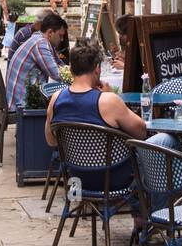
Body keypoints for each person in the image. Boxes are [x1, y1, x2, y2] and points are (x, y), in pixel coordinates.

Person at [45, 39, 148, 190]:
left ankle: (81, 202)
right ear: (97, 69)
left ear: (71, 69)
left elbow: (51, 141)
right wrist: (114, 97)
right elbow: (141, 132)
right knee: (159, 145)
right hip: (114, 179)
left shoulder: (56, 99)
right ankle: (150, 209)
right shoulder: (108, 101)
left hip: (77, 180)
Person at [6, 11, 67, 110]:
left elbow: (60, 64)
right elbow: (57, 74)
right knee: (65, 97)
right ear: (50, 33)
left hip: (21, 97)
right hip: (21, 103)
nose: (62, 39)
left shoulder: (39, 38)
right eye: (60, 36)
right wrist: (82, 79)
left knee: (61, 92)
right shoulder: (40, 44)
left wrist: (74, 72)